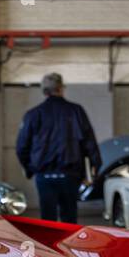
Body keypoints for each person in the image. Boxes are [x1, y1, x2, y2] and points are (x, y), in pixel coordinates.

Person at [15, 73, 101, 223]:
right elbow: (90, 143)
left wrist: (30, 169)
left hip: (44, 176)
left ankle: (48, 245)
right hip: (70, 176)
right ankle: (67, 246)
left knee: (47, 221)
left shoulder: (33, 114)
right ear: (61, 89)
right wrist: (96, 166)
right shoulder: (76, 111)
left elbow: (22, 147)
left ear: (44, 91)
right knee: (69, 220)